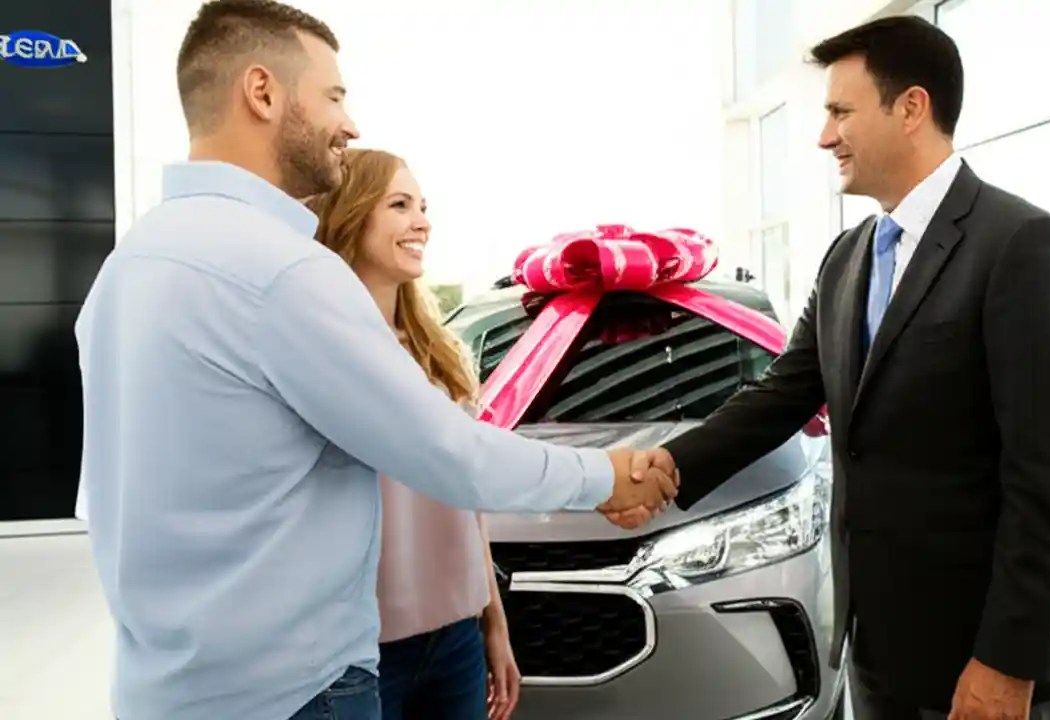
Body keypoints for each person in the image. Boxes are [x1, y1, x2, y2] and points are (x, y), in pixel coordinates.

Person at [73, 2, 674, 720]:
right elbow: (446, 454)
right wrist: (604, 474)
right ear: (262, 92)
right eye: (333, 95)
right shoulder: (282, 270)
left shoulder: (125, 269)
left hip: (166, 694)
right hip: (297, 693)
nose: (349, 124)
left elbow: (101, 496)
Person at [623, 15, 1050, 720]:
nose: (823, 136)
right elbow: (783, 395)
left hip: (982, 655)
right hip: (877, 648)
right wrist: (666, 465)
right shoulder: (848, 257)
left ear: (911, 107)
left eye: (841, 112)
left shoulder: (1023, 246)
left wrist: (1008, 662)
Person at [304, 149, 520, 720]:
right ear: (351, 217)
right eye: (400, 205)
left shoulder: (437, 352)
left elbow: (467, 498)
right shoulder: (321, 349)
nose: (422, 221)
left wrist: (493, 623)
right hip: (361, 654)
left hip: (456, 641)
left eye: (422, 206)